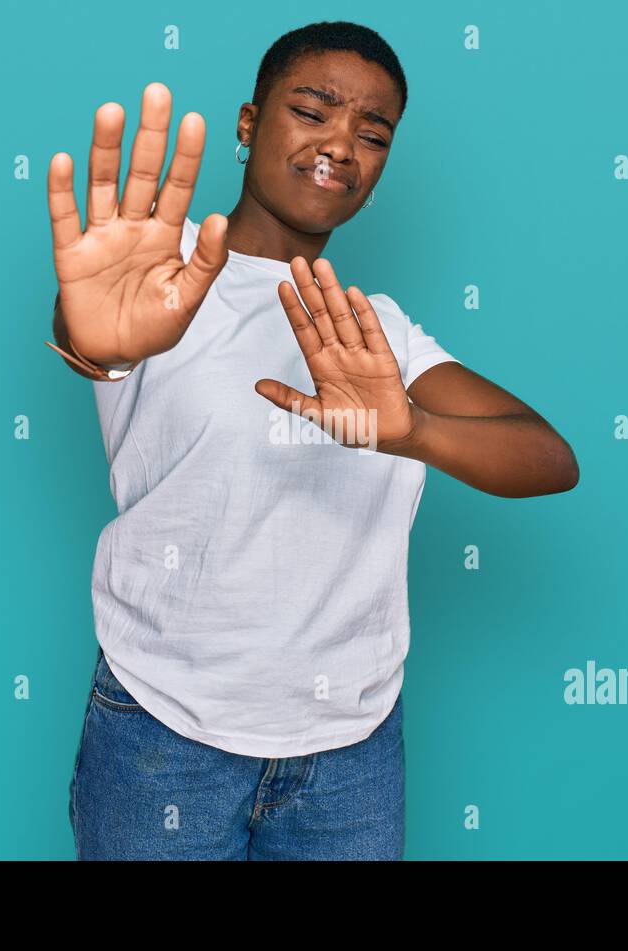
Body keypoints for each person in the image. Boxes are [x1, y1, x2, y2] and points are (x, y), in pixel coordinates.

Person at [45, 21, 579, 860]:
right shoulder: (159, 276)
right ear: (250, 122)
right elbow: (96, 338)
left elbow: (551, 458)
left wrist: (412, 429)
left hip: (351, 749)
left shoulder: (379, 336)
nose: (342, 145)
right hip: (162, 733)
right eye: (313, 110)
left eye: (374, 134)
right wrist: (91, 337)